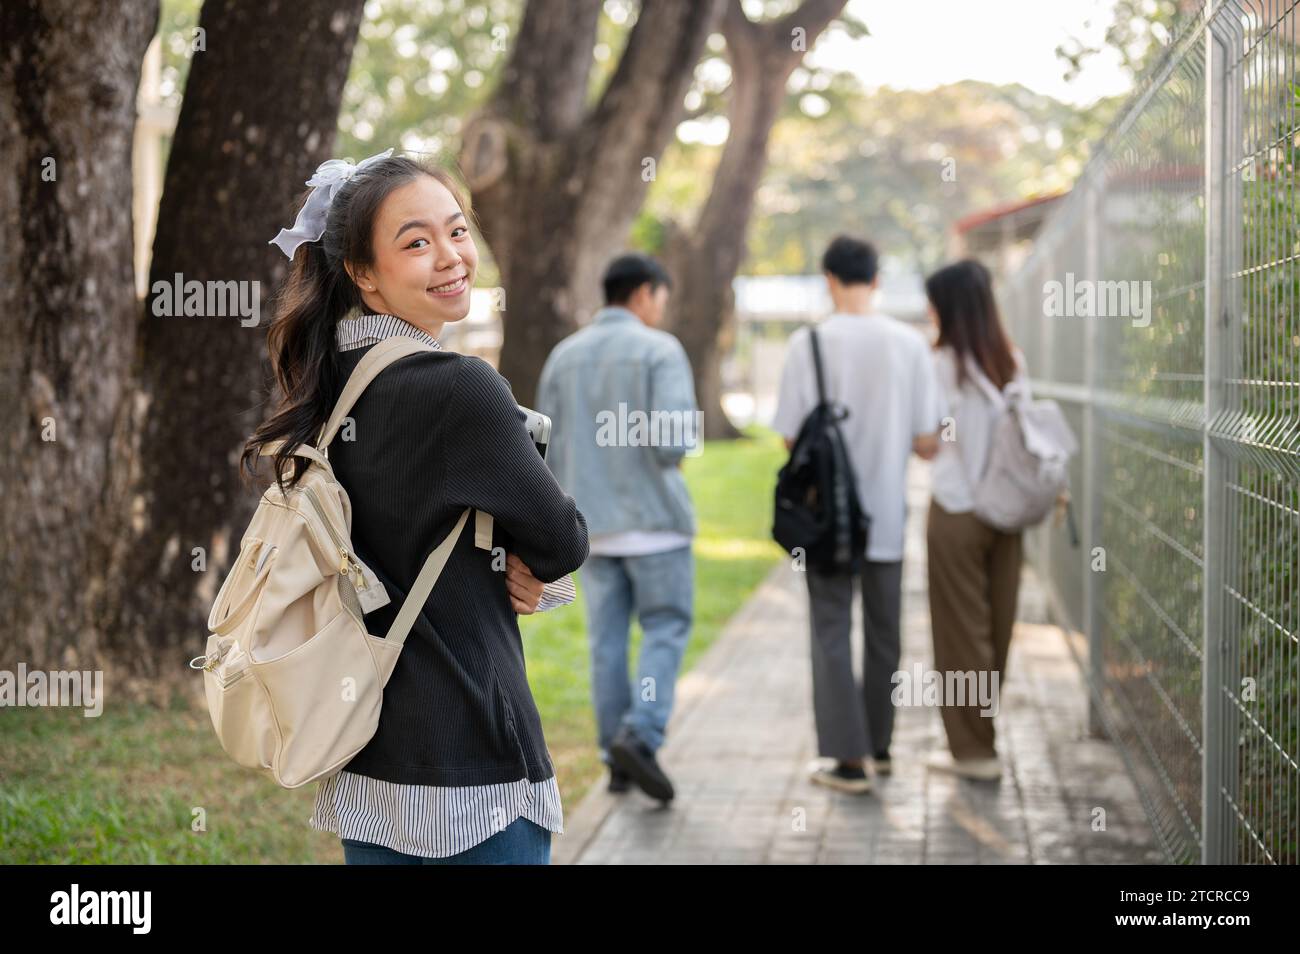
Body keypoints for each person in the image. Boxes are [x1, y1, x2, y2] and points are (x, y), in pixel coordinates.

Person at [243, 149, 589, 864]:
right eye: (416, 242)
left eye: (457, 232)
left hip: (365, 754)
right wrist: (531, 562)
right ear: (362, 273)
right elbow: (561, 540)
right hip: (475, 761)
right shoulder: (460, 387)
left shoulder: (326, 386)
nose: (451, 257)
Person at [771, 236, 945, 794]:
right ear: (876, 279)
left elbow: (791, 438)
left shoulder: (808, 344)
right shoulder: (909, 343)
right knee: (884, 633)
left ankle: (847, 762)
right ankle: (881, 746)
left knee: (829, 629)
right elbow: (926, 441)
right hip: (887, 520)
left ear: (828, 279)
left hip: (828, 524)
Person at [535, 253, 699, 804]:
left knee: (606, 642)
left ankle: (616, 759)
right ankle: (643, 734)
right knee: (665, 626)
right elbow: (674, 443)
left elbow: (543, 448)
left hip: (593, 528)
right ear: (646, 294)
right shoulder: (660, 350)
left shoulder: (564, 356)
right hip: (656, 525)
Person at [923, 259, 1027, 782]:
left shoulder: (940, 364)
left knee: (962, 632)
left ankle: (973, 752)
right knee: (996, 625)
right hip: (1008, 513)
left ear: (946, 306)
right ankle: (982, 738)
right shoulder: (1009, 361)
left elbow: (926, 443)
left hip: (958, 512)